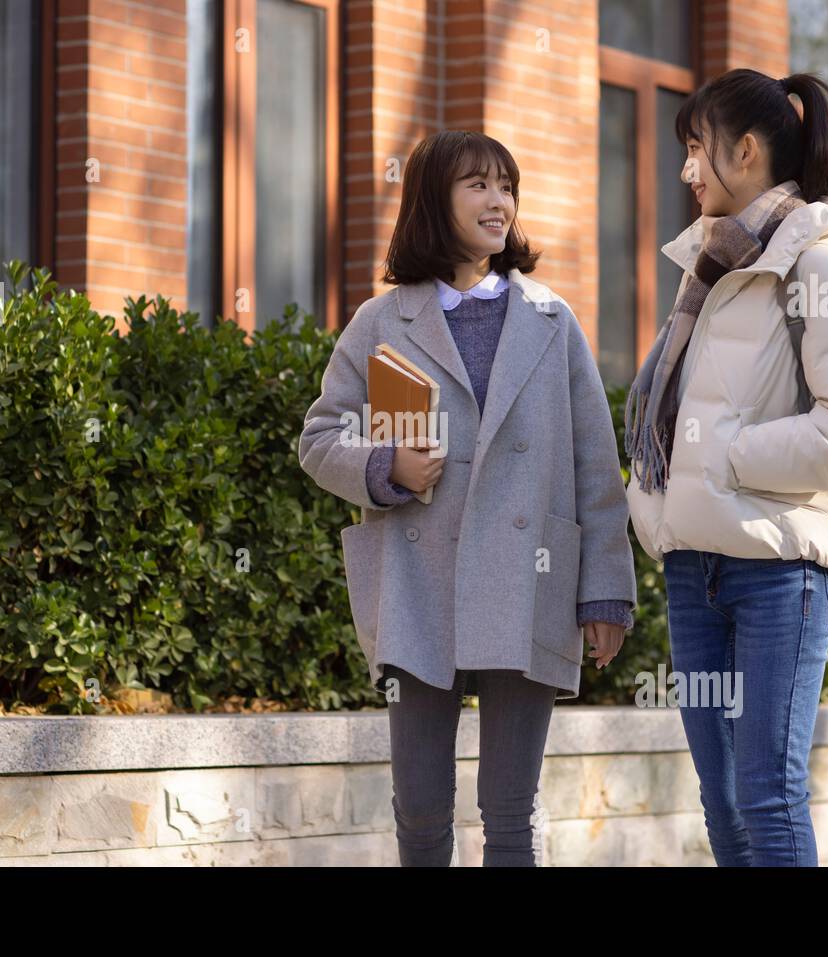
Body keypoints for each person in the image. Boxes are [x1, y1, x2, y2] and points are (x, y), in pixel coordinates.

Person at [298, 130, 637, 866]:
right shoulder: (380, 322)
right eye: (478, 184)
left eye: (507, 186)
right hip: (419, 591)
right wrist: (386, 467)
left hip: (530, 582)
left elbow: (595, 466)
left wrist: (606, 593)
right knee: (420, 816)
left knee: (512, 815)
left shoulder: (552, 320)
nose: (498, 201)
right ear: (431, 200)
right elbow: (318, 439)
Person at [624, 69, 828, 866]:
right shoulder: (707, 267)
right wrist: (660, 506)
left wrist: (730, 461)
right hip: (694, 567)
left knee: (768, 795)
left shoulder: (815, 264)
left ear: (744, 151)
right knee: (724, 801)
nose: (686, 171)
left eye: (694, 150)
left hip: (780, 570)